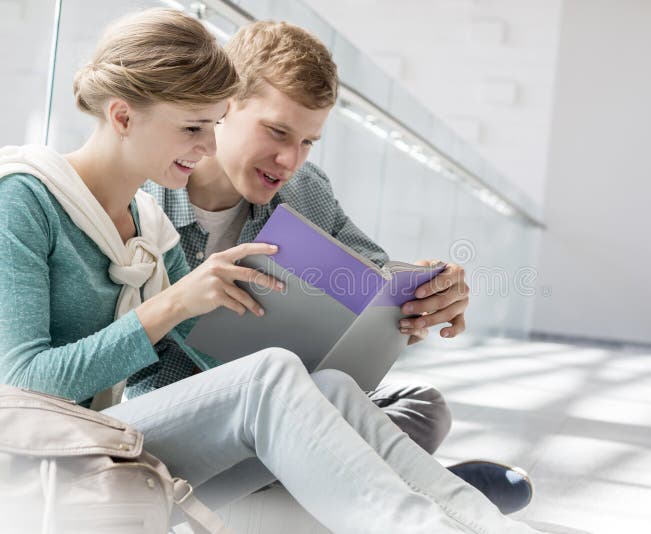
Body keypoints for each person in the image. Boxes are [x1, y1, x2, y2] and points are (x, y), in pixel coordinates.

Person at [0, 9, 541, 533]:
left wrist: (412, 303)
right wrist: (177, 303)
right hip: (52, 453)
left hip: (166, 435)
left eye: (307, 142)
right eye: (196, 126)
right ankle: (388, 503)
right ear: (123, 116)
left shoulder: (148, 223)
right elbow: (22, 387)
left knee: (327, 387)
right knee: (274, 379)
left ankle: (473, 519)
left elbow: (355, 284)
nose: (207, 146)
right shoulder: (28, 200)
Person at [134, 19, 532, 514]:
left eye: (307, 142)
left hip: (294, 408)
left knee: (423, 405)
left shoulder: (303, 192)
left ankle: (338, 484)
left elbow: (372, 280)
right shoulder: (141, 197)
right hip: (183, 427)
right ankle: (420, 492)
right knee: (304, 403)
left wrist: (426, 295)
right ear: (225, 105)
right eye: (277, 132)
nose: (288, 159)